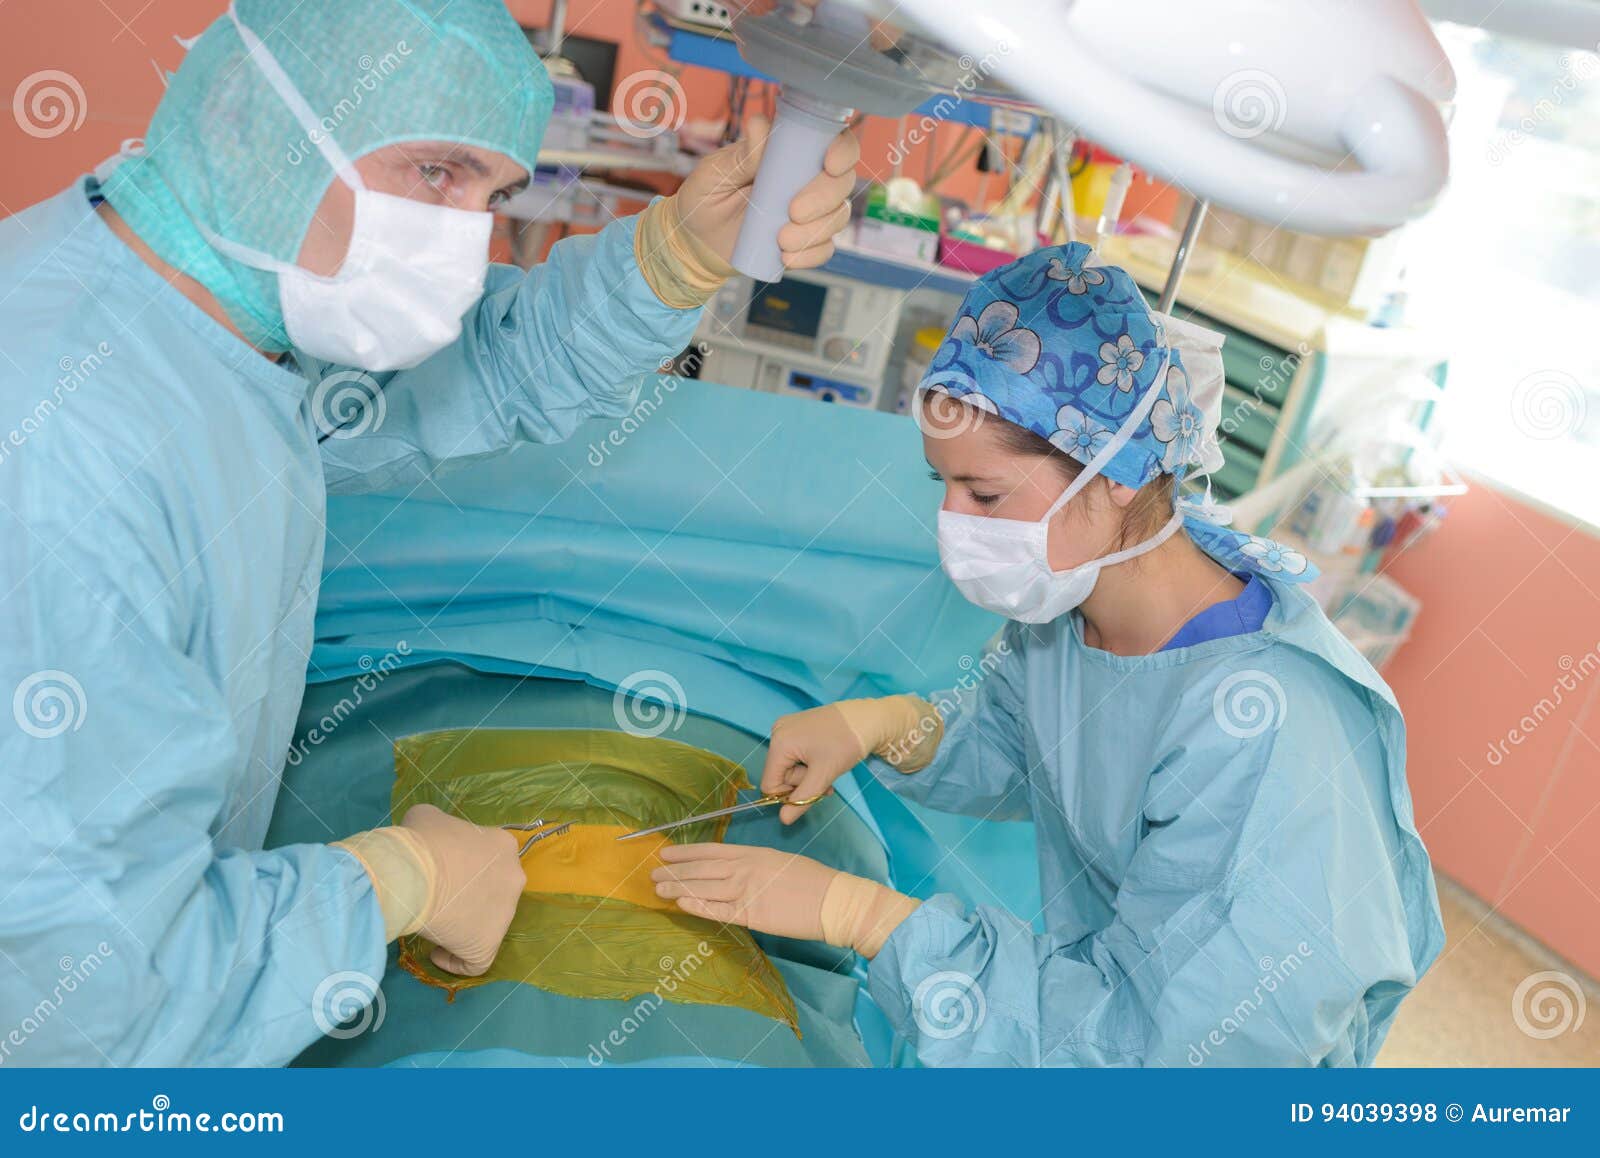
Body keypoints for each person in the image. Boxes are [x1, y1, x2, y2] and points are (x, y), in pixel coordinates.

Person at [0, 0, 857, 1065]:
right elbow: (82, 1006)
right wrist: (391, 886)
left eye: (495, 196)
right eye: (435, 175)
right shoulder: (60, 452)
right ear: (242, 118)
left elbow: (477, 373)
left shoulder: (235, 326)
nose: (462, 239)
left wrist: (674, 255)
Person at [654, 242, 1446, 1066]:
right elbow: (1024, 743)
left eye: (984, 494)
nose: (954, 525)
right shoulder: (1071, 607)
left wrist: (868, 920)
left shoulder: (1267, 736)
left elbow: (1161, 1059)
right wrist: (890, 726)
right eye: (945, 488)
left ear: (1119, 475)